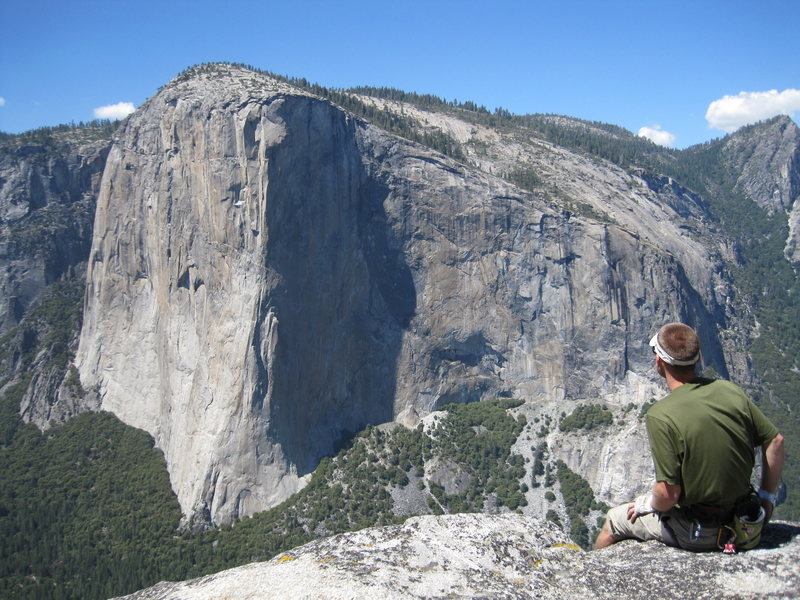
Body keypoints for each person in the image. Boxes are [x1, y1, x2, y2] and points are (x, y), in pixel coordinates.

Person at [594, 322, 785, 551]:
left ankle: (580, 583)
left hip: (700, 532)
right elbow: (775, 440)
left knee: (613, 521)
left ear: (659, 361)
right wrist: (766, 499)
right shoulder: (729, 391)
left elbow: (668, 495)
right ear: (697, 359)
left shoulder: (661, 415)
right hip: (746, 523)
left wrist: (647, 503)